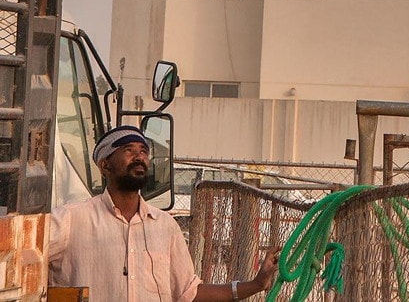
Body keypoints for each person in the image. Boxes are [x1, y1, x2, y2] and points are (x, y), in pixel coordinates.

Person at [49, 125, 280, 300]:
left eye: (143, 151)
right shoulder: (71, 219)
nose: (139, 157)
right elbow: (22, 262)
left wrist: (256, 284)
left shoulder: (165, 226)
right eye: (128, 150)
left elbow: (190, 293)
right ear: (104, 165)